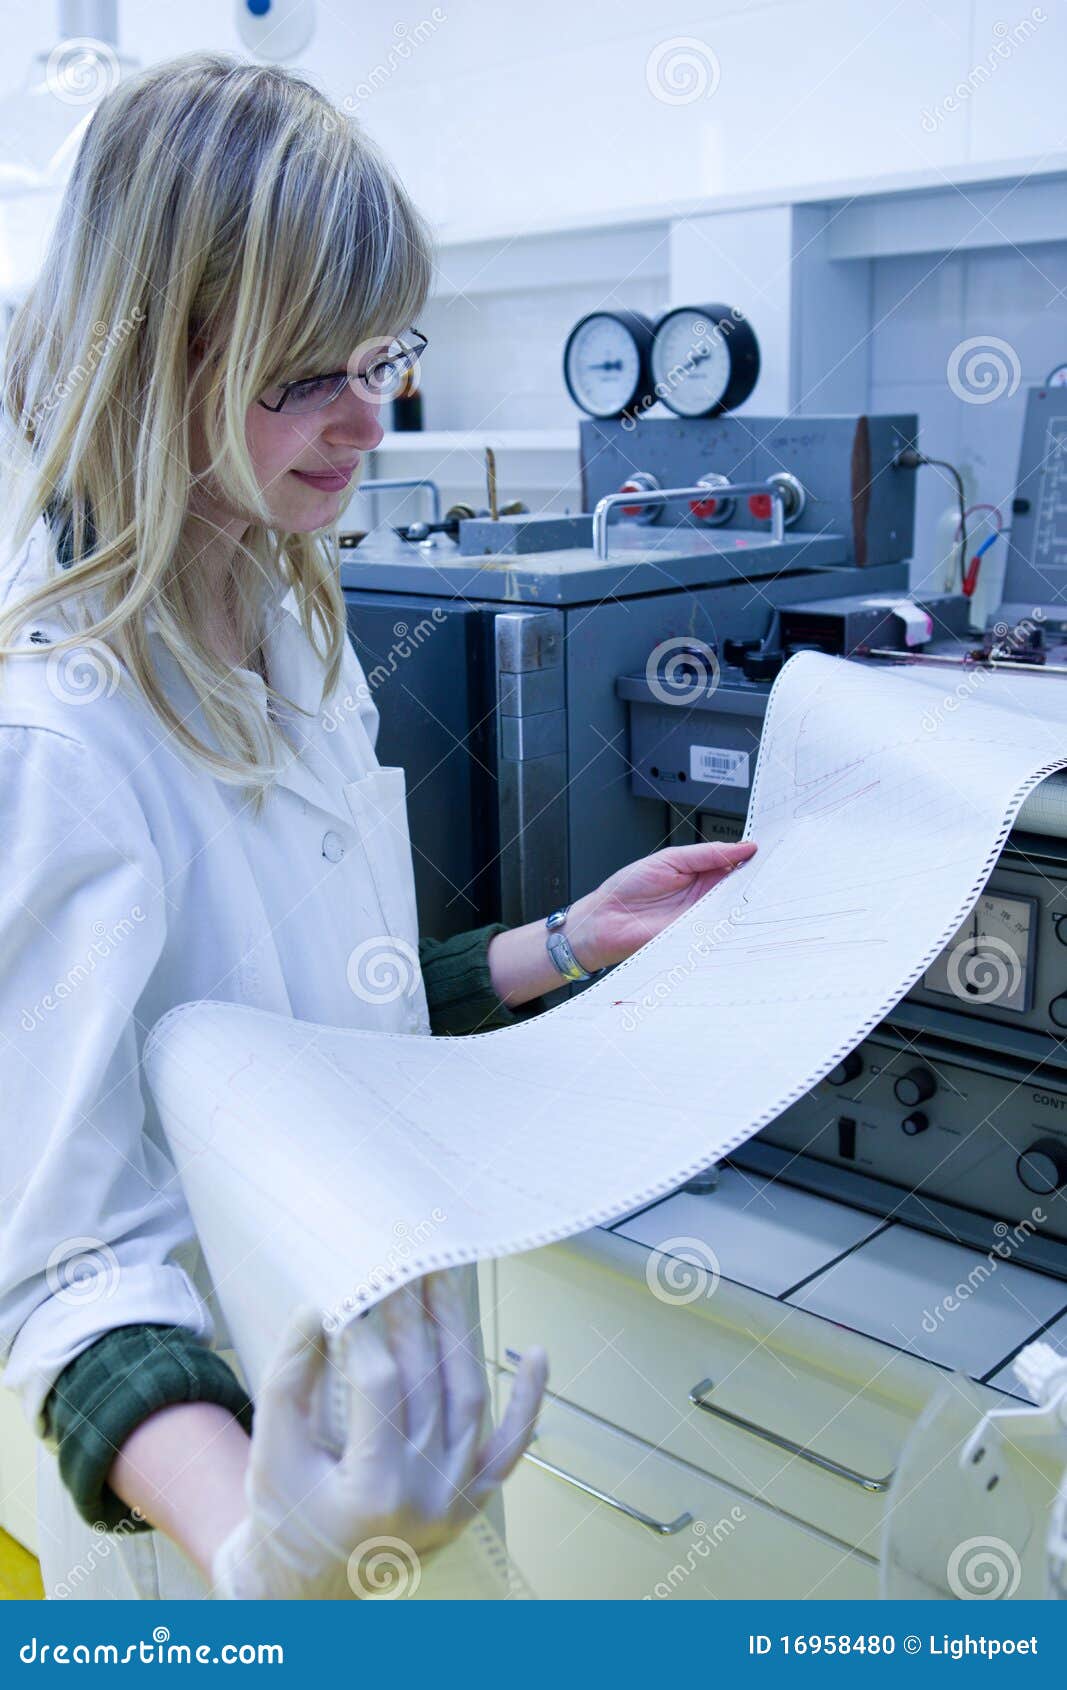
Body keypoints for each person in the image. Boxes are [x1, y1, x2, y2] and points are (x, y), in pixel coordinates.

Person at [0, 52, 757, 1600]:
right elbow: (68, 1258)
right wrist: (258, 1542)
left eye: (380, 354)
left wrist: (564, 941)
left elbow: (315, 999)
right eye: (305, 372)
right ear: (153, 357)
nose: (371, 418)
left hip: (400, 1425)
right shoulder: (55, 734)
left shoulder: (294, 624)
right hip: (229, 1505)